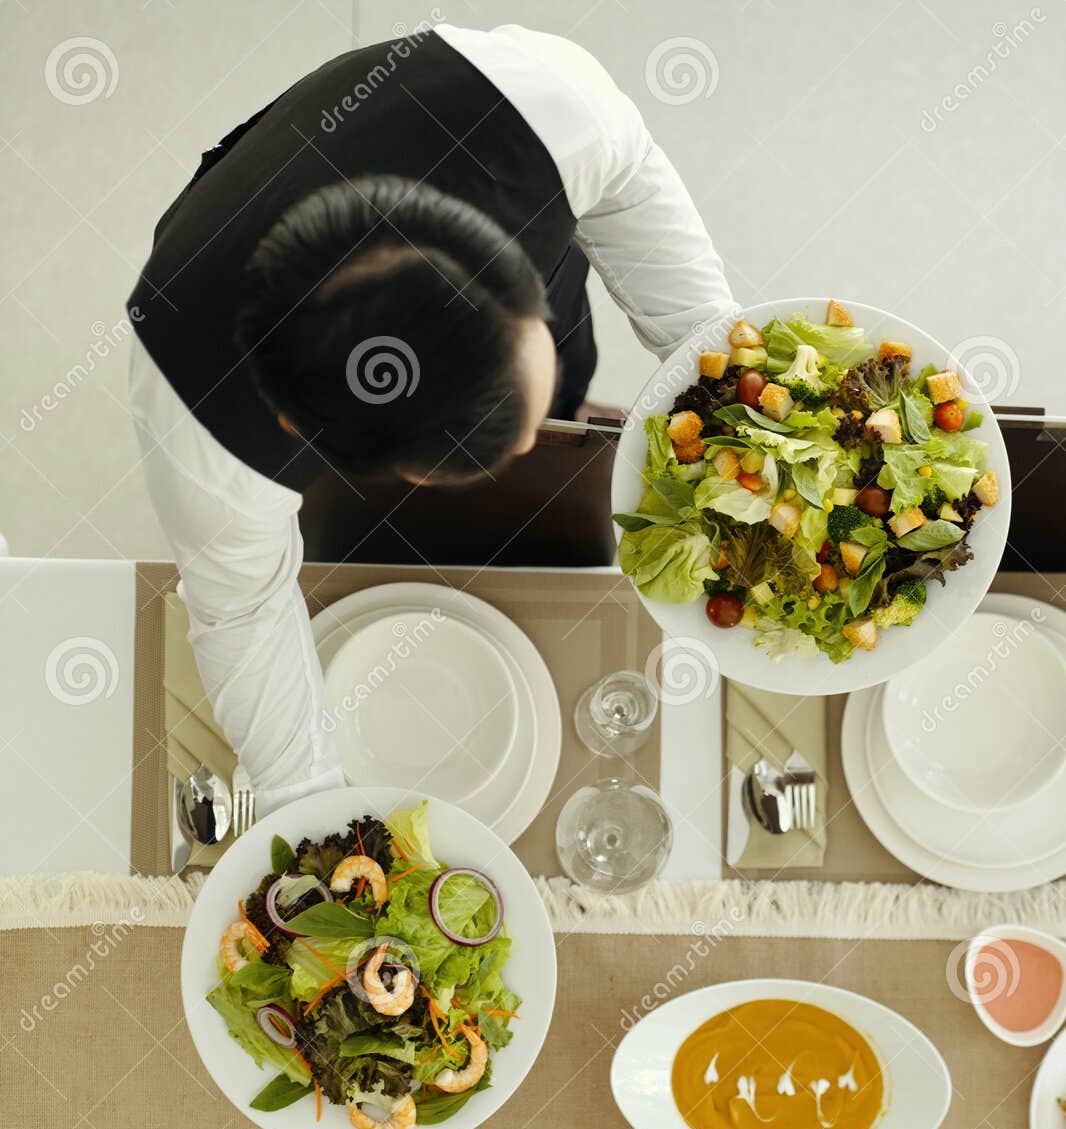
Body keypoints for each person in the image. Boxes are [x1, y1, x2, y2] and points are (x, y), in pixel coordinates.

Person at [128, 23, 737, 815]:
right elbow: (242, 613)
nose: (522, 450)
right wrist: (314, 810)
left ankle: (553, 386)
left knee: (557, 389)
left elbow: (640, 214)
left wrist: (728, 391)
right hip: (217, 325)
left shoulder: (551, 105)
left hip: (467, 128)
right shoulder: (205, 439)